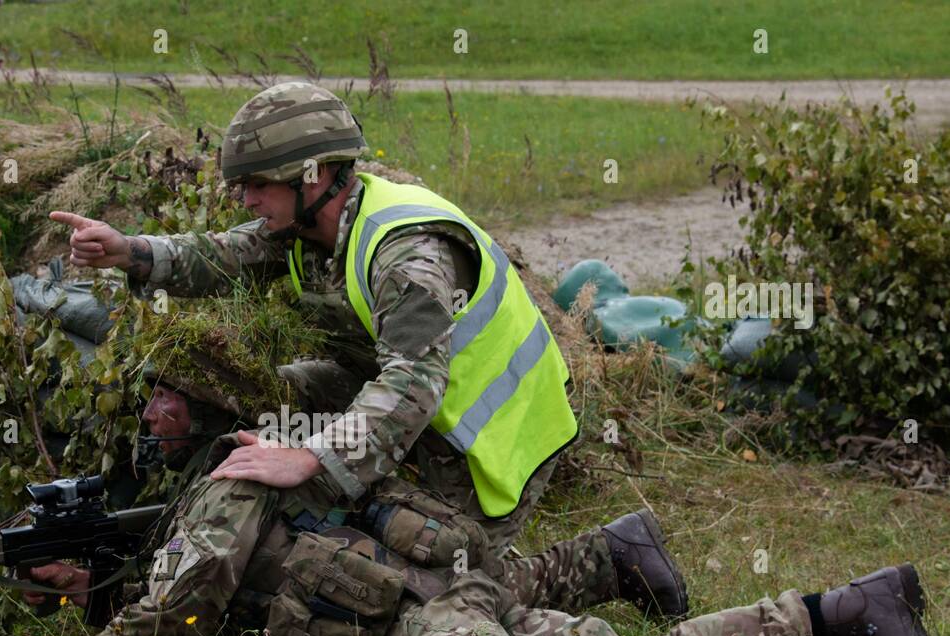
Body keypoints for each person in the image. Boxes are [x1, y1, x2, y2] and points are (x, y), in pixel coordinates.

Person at [0, 368, 940, 636]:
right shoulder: (259, 452)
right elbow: (196, 579)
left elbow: (190, 599)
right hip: (456, 586)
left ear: (202, 407)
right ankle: (842, 611)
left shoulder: (233, 471)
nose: (151, 417)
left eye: (164, 400)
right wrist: (100, 587)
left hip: (414, 619)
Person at [49, 80, 579, 559]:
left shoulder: (408, 255)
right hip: (416, 406)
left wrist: (313, 458)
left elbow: (413, 382)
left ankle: (605, 557)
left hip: (492, 440)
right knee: (263, 392)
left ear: (314, 175)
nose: (246, 198)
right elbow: (227, 255)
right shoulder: (312, 224)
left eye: (258, 183)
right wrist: (131, 251)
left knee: (425, 584)